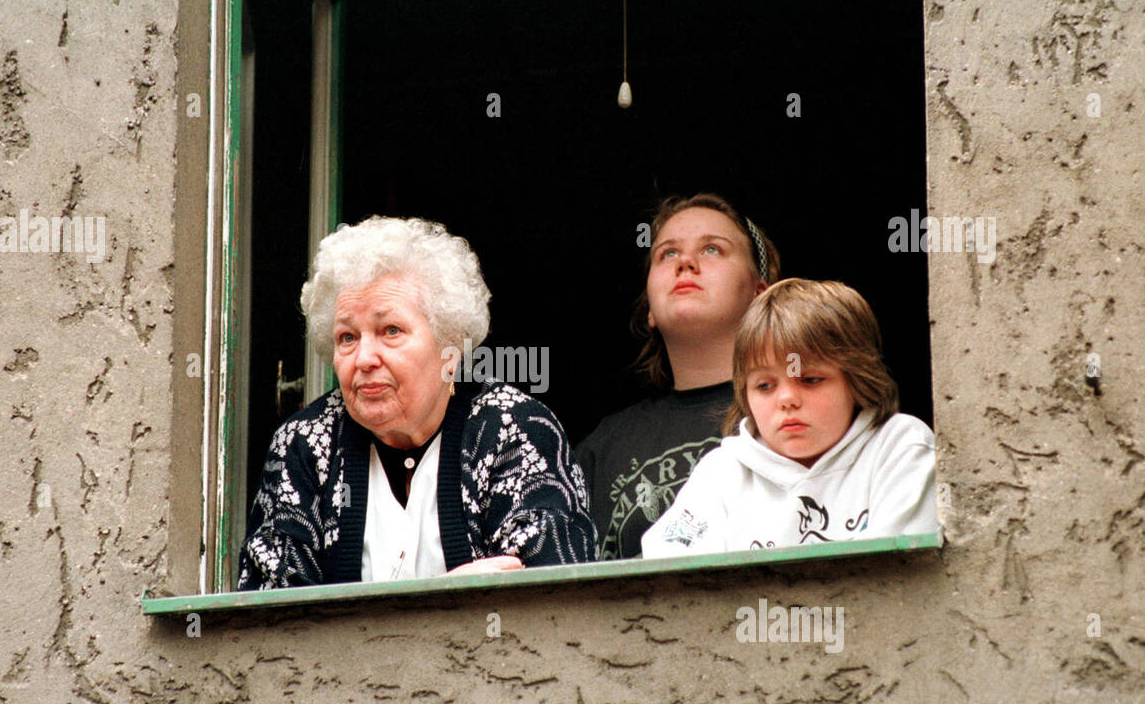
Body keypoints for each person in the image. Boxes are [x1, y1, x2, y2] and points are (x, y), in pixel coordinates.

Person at [238, 216, 597, 589]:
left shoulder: (514, 429)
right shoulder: (304, 445)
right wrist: (447, 597)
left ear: (450, 344)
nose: (363, 358)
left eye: (390, 330)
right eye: (347, 337)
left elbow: (549, 604)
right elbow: (271, 625)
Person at [640, 278, 938, 556]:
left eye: (809, 380)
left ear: (858, 382)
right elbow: (672, 584)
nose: (786, 400)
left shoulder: (900, 448)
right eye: (765, 386)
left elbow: (896, 582)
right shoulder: (721, 473)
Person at [575, 193, 781, 559]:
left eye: (713, 249)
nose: (685, 262)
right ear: (650, 310)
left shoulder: (799, 410)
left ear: (759, 293)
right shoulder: (600, 449)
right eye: (667, 253)